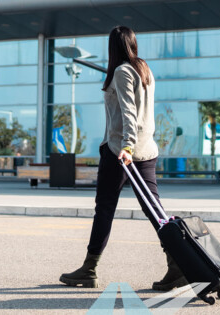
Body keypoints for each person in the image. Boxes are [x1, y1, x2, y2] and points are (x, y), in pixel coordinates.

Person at [59, 26, 186, 291]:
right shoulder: (144, 70)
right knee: (155, 211)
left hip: (121, 152)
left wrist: (125, 148)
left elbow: (129, 114)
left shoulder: (121, 71)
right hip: (147, 151)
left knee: (104, 209)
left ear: (112, 47)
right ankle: (177, 264)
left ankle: (89, 268)